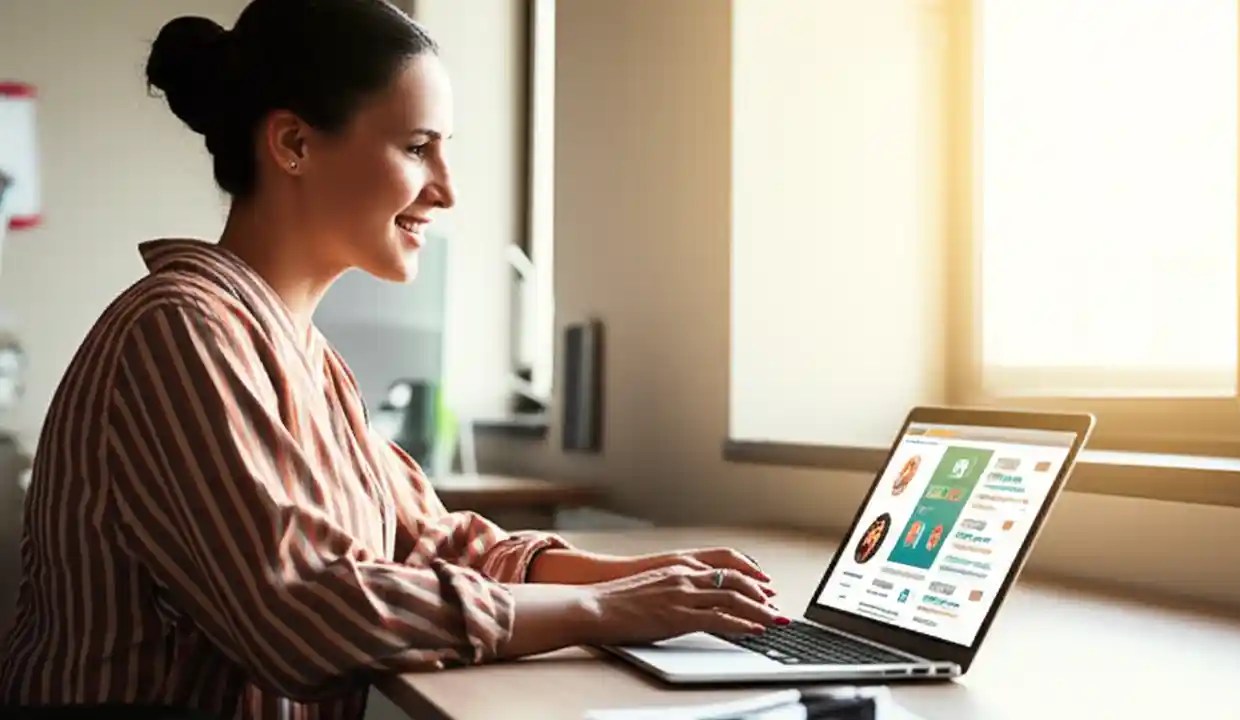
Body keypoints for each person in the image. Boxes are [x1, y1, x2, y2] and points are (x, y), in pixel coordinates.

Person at [0, 1, 783, 717]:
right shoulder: (181, 334)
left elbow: (434, 546)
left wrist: (652, 580)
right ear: (294, 143)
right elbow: (305, 613)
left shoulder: (300, 354)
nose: (445, 190)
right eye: (416, 149)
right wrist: (607, 612)